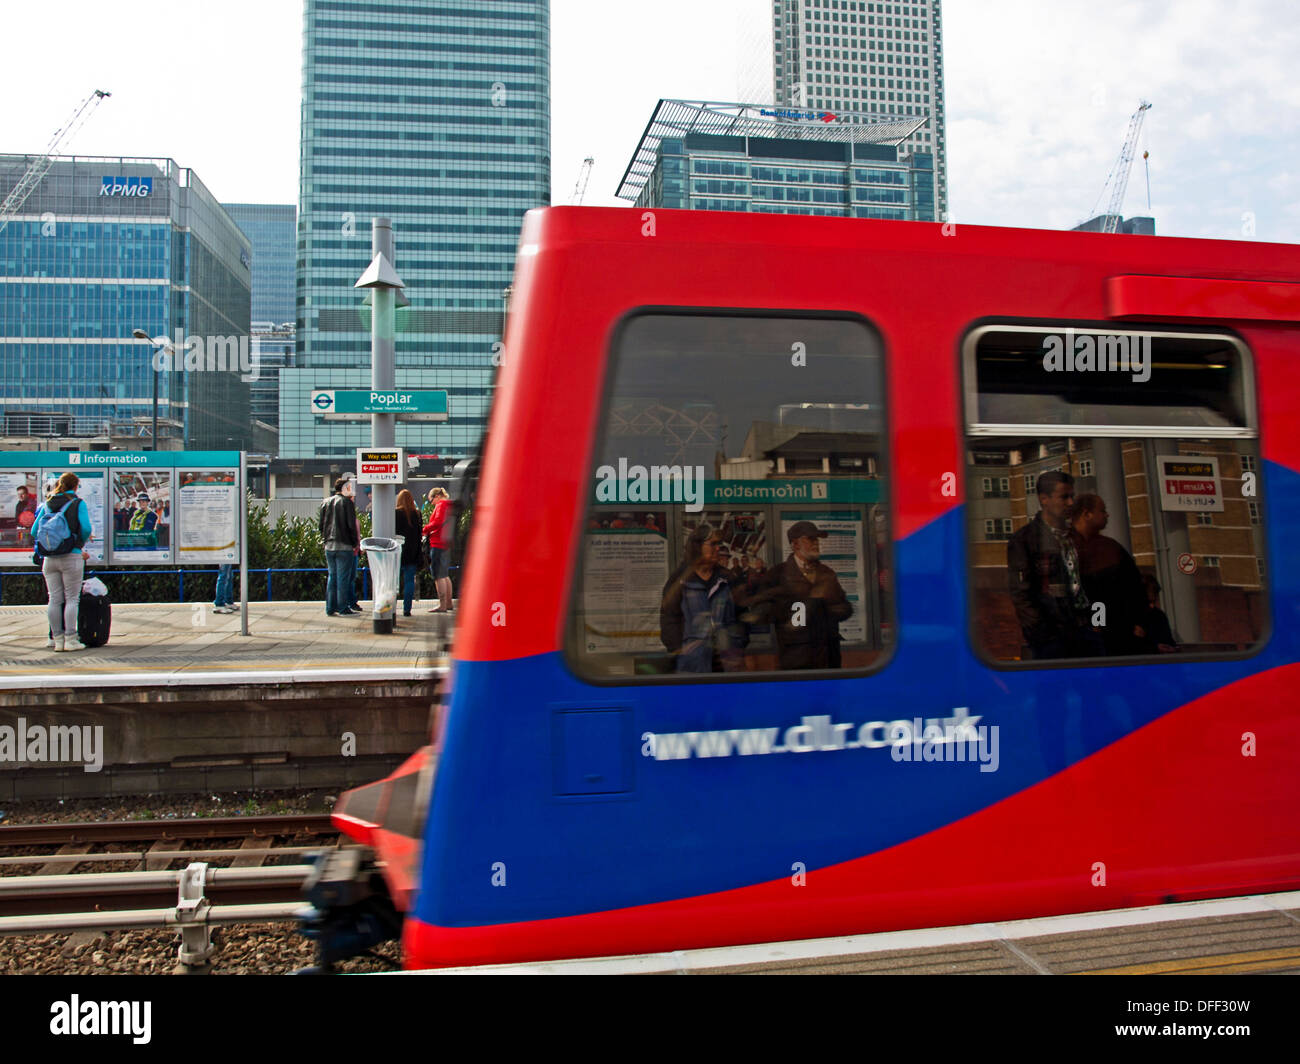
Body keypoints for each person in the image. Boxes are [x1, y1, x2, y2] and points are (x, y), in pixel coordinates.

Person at [1007, 470, 1102, 660]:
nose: (1070, 502)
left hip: (1087, 631)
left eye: (1072, 496)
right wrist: (1043, 636)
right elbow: (1021, 594)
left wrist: (1099, 624)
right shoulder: (1025, 540)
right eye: (1064, 497)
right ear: (1044, 499)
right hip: (1053, 637)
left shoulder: (1078, 537)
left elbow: (1097, 586)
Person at [750, 521, 853, 670]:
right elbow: (760, 612)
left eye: (817, 539)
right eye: (811, 539)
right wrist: (797, 607)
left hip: (829, 658)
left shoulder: (826, 573)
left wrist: (829, 606)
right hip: (796, 658)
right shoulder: (778, 574)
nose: (816, 543)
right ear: (795, 544)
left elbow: (846, 609)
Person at [1069, 493, 1148, 656]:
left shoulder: (1110, 548)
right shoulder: (1109, 550)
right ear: (1086, 514)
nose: (1106, 514)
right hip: (1103, 634)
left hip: (1111, 633)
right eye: (1102, 510)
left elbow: (1134, 589)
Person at [660, 525, 745, 672]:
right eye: (713, 544)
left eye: (718, 544)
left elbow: (742, 615)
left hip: (727, 662)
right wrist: (680, 650)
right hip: (692, 664)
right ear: (697, 546)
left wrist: (736, 644)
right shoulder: (679, 580)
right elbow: (668, 619)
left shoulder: (728, 578)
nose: (718, 548)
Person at [32, 472, 93, 652]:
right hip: (71, 555)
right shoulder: (77, 503)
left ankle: (56, 640)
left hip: (49, 559)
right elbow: (87, 528)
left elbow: (35, 530)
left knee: (54, 599)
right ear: (75, 486)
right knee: (72, 599)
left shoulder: (48, 503)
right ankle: (71, 639)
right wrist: (78, 543)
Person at [318, 476, 361, 617]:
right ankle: (343, 607)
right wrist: (355, 543)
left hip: (329, 545)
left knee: (332, 576)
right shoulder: (347, 503)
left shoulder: (325, 502)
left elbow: (321, 525)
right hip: (344, 545)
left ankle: (330, 607)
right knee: (343, 578)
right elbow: (350, 525)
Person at [422, 487, 453, 613]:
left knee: (438, 575)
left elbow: (438, 521)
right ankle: (449, 603)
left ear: (437, 496)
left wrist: (425, 529)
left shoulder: (441, 505)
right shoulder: (449, 505)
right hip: (445, 542)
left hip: (438, 543)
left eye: (431, 500)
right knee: (445, 574)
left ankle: (442, 605)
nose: (432, 503)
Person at [395, 489, 424, 618]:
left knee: (393, 582)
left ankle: (391, 609)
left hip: (398, 551)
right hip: (412, 552)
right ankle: (407, 610)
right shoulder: (417, 514)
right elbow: (419, 534)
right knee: (409, 581)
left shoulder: (395, 513)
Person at [1137, 574, 1178, 653]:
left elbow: (1169, 640)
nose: (1152, 606)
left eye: (1154, 601)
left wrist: (1173, 648)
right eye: (1148, 602)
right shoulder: (1131, 618)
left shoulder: (1159, 616)